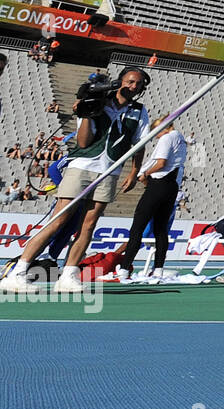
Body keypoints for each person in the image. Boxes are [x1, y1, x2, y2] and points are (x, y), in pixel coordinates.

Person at [1, 68, 150, 294]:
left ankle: (69, 275)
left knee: (89, 225)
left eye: (138, 84)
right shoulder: (95, 101)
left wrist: (133, 172)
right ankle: (17, 273)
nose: (133, 87)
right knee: (58, 220)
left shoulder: (139, 111)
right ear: (120, 81)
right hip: (82, 167)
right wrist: (87, 114)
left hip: (110, 171)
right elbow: (82, 142)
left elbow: (140, 143)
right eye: (130, 82)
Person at [118, 119, 188, 277]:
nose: (156, 137)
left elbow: (161, 163)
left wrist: (144, 174)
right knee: (160, 229)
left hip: (159, 183)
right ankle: (158, 269)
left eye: (157, 133)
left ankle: (124, 268)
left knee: (137, 227)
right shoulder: (181, 140)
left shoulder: (167, 138)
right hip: (171, 186)